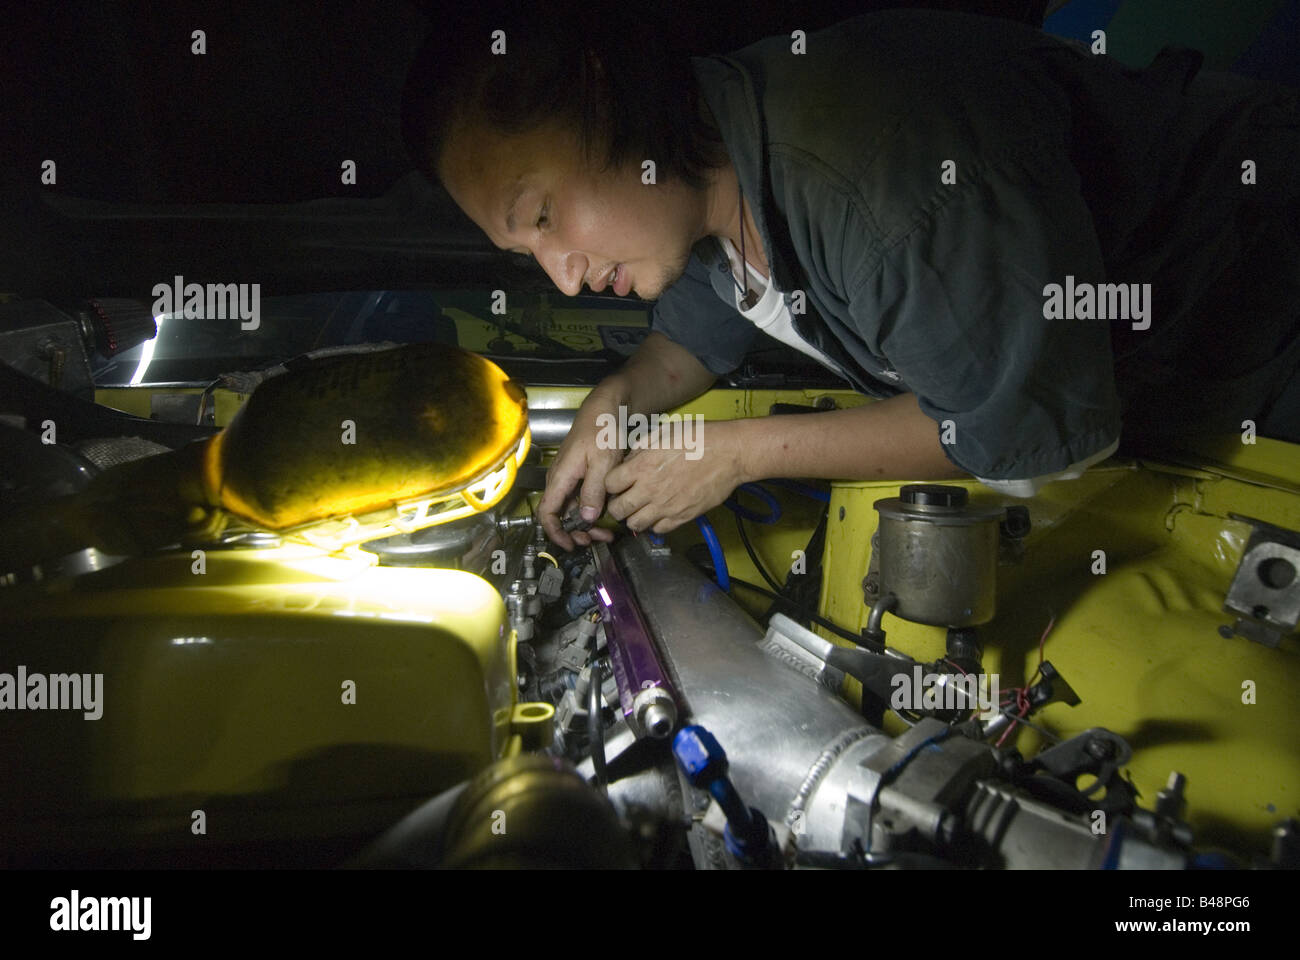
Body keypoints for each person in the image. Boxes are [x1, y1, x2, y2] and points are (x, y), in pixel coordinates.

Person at [401, 2, 1300, 551]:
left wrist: (734, 455)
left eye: (543, 216)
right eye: (527, 256)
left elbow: (1028, 436)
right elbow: (694, 338)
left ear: (603, 96)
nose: (562, 279)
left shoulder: (884, 179)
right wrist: (616, 402)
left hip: (1264, 305)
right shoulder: (703, 171)